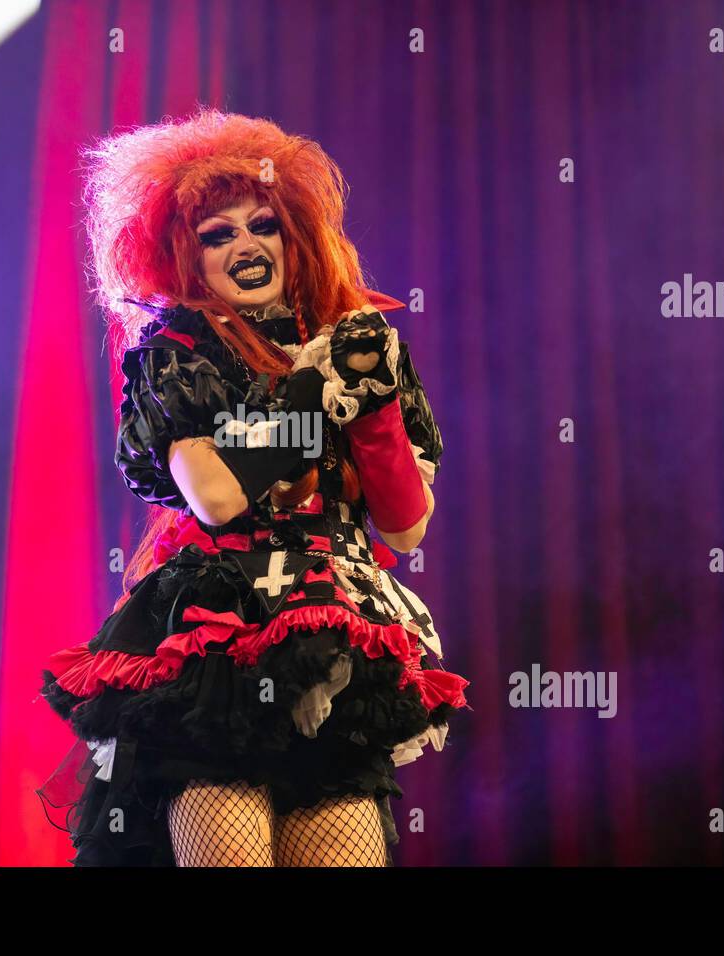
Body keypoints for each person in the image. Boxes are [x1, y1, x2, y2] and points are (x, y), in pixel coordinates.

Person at [37, 107, 470, 866]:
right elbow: (216, 496)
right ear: (185, 256)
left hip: (338, 636)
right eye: (218, 234)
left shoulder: (358, 345)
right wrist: (311, 396)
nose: (244, 244)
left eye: (261, 224)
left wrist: (368, 409)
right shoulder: (177, 351)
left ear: (293, 235)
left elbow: (404, 529)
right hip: (217, 645)